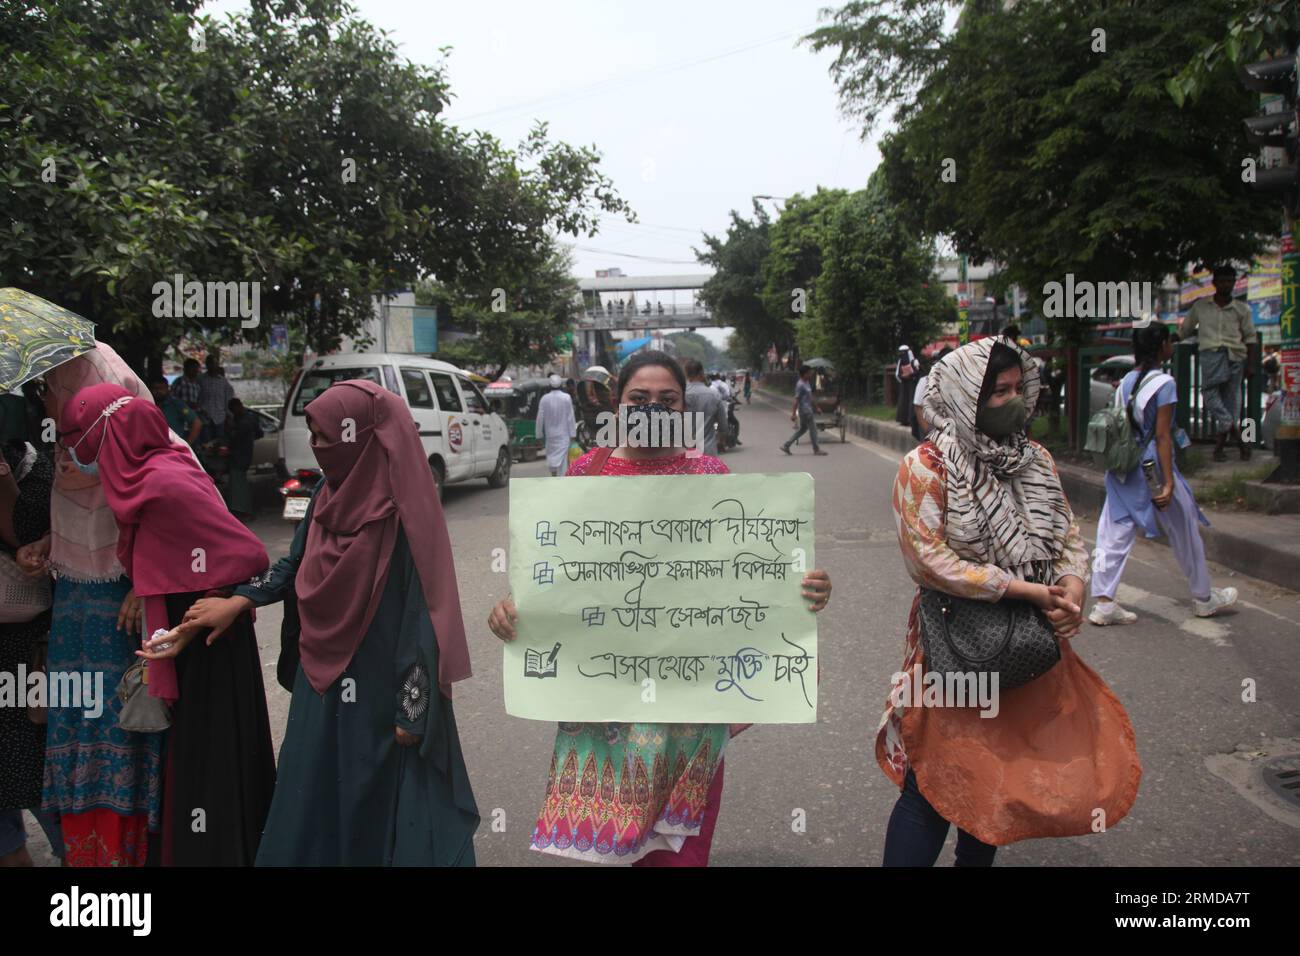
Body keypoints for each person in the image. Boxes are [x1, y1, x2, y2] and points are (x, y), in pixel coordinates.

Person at [487, 351, 833, 865]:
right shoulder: (586, 474)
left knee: (680, 849)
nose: (653, 409)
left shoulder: (713, 478)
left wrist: (804, 591)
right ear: (616, 404)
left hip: (688, 702)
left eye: (667, 401)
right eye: (639, 399)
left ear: (685, 407)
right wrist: (513, 610)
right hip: (607, 699)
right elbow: (557, 575)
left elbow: (750, 579)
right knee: (612, 840)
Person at [181, 380, 479, 865]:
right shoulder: (326, 491)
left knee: (372, 794)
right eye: (313, 435)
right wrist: (241, 600)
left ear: (360, 436)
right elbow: (294, 564)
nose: (318, 449)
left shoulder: (403, 508)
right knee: (313, 787)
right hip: (320, 675)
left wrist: (412, 708)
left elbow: (421, 616)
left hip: (381, 683)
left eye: (325, 438)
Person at [878, 338, 1141, 866]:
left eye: (1019, 388)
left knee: (1003, 774)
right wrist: (1020, 588)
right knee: (934, 781)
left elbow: (1065, 533)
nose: (1015, 401)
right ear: (965, 396)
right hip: (959, 644)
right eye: (998, 391)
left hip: (1032, 643)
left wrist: (1073, 582)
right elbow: (929, 561)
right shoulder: (927, 466)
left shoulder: (1035, 459)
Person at [60, 381, 275, 866]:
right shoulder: (146, 480)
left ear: (107, 434)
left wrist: (199, 615)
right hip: (186, 636)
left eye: (81, 436)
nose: (76, 449)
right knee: (195, 759)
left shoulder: (165, 482)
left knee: (209, 759)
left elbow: (248, 554)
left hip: (209, 635)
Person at [29, 344, 170, 866]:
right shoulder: (73, 443)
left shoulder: (150, 453)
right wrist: (48, 542)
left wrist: (145, 581)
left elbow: (178, 520)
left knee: (120, 725)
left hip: (118, 608)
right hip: (73, 609)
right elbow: (78, 508)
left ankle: (125, 854)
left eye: (51, 390)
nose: (46, 403)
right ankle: (84, 856)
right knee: (76, 719)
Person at [1089, 324, 1238, 625]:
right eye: (1169, 340)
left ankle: (1103, 604)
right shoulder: (1164, 383)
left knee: (1113, 531)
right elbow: (1162, 437)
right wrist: (1168, 482)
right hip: (1151, 467)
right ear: (1161, 348)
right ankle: (1203, 597)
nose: (1172, 344)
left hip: (1122, 466)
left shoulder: (1127, 380)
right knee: (1184, 526)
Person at [0, 395, 63, 866]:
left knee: (35, 761)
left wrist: (2, 481)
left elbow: (27, 537)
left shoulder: (37, 469)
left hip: (27, 641)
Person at [1180, 265, 1258, 462]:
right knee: (1209, 394)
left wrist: (1251, 364)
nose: (1226, 285)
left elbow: (1250, 338)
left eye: (1230, 281)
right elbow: (1184, 330)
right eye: (1222, 281)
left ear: (1234, 283)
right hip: (1211, 357)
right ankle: (1240, 441)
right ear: (1214, 283)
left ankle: (1219, 449)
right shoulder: (1201, 306)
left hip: (1235, 357)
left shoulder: (1242, 309)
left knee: (1232, 403)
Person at [224, 398, 260, 520]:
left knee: (238, 484)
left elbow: (236, 437)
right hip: (244, 454)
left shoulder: (243, 421)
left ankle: (241, 510)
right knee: (239, 482)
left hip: (239, 456)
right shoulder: (249, 418)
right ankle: (242, 509)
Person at [781, 365, 827, 456]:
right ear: (805, 374)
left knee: (802, 429)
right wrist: (793, 414)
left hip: (807, 410)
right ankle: (816, 449)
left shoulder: (807, 383)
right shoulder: (800, 385)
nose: (810, 374)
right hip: (805, 411)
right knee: (813, 430)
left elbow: (810, 397)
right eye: (809, 373)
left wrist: (816, 407)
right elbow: (796, 400)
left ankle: (786, 445)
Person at [683, 358, 726, 457]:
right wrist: (721, 442)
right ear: (701, 373)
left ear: (686, 373)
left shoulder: (680, 395)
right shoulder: (714, 395)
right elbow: (723, 426)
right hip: (708, 451)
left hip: (686, 452)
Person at [536, 374, 576, 477]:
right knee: (563, 462)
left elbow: (540, 418)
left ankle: (553, 477)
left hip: (550, 436)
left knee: (551, 459)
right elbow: (570, 417)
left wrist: (539, 435)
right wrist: (573, 434)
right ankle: (560, 482)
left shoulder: (544, 399)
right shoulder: (566, 398)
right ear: (561, 385)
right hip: (564, 435)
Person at [149, 374, 201, 447]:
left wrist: (187, 444)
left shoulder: (176, 404)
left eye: (161, 388)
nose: (158, 391)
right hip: (152, 445)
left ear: (167, 389)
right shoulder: (147, 403)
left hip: (173, 447)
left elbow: (196, 423)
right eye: (155, 388)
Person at [197, 355, 235, 440]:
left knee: (219, 444)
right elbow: (196, 398)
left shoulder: (223, 381)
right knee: (206, 445)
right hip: (204, 418)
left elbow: (228, 399)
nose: (212, 366)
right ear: (207, 365)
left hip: (219, 418)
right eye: (210, 363)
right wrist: (200, 410)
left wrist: (229, 416)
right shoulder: (200, 380)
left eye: (215, 364)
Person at [895, 345, 920, 427]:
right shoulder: (914, 361)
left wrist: (902, 381)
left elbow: (897, 374)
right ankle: (910, 420)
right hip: (911, 384)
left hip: (903, 384)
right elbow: (917, 371)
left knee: (903, 401)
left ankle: (903, 420)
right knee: (911, 400)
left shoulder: (900, 361)